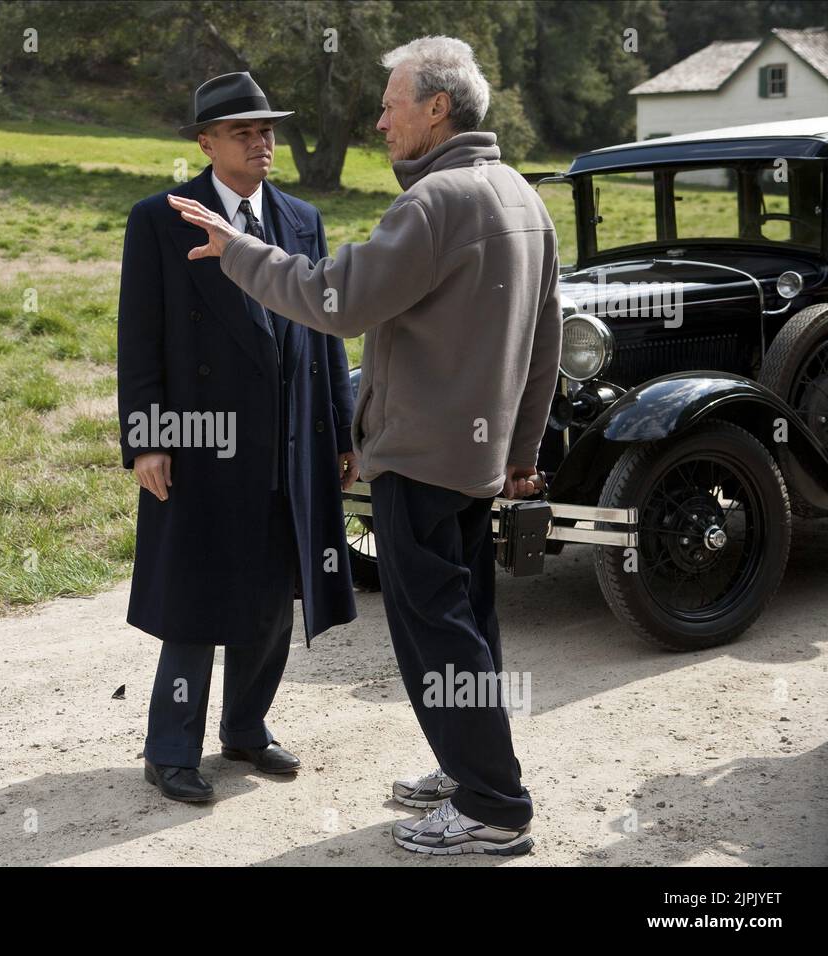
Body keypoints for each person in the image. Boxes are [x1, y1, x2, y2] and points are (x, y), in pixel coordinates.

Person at [168, 37, 561, 854]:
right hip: (477, 461)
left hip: (420, 458)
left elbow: (334, 301)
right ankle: (470, 769)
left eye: (391, 104)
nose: (379, 120)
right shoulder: (521, 193)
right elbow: (547, 341)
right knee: (470, 621)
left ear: (437, 109)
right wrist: (520, 452)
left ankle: (492, 803)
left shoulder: (435, 203)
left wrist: (236, 251)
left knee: (435, 633)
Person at [117, 71, 358, 803]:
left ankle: (247, 729)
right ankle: (170, 750)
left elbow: (323, 329)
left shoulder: (301, 219)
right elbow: (140, 338)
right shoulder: (159, 219)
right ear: (206, 142)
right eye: (244, 131)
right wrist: (147, 437)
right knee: (194, 596)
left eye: (268, 130)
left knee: (271, 594)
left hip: (288, 440)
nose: (263, 142)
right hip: (198, 441)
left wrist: (339, 430)